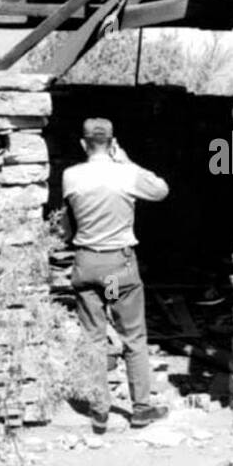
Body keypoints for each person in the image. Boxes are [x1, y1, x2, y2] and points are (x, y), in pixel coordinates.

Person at [61, 118, 170, 432]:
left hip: (87, 265)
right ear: (113, 143)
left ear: (83, 144)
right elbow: (161, 190)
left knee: (94, 339)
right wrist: (126, 161)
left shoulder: (71, 176)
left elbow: (66, 223)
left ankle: (99, 411)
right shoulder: (125, 174)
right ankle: (141, 408)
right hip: (115, 270)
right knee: (132, 336)